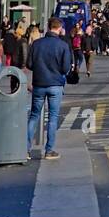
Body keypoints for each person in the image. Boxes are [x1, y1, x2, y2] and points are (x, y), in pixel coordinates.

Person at [27, 17, 73, 160]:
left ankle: (25, 149)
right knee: (52, 118)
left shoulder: (36, 44)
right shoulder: (63, 45)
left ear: (48, 27)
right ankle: (49, 150)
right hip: (55, 85)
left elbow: (29, 64)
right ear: (59, 28)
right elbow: (66, 68)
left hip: (39, 84)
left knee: (34, 116)